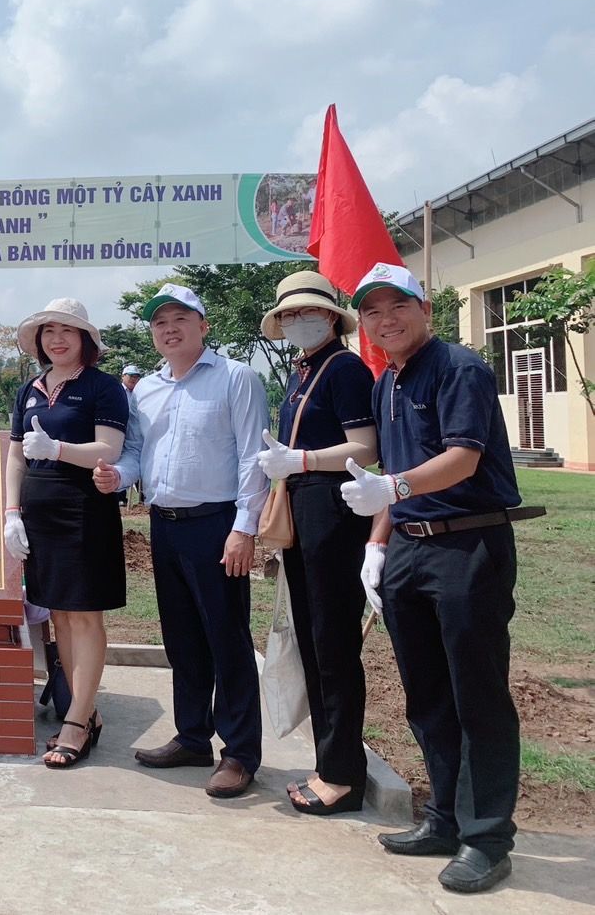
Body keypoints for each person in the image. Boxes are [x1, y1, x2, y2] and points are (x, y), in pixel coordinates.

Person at [341, 263, 525, 894]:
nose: (385, 320)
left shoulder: (459, 368)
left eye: (397, 307)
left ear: (426, 310)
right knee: (427, 693)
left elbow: (461, 458)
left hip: (468, 543)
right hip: (412, 550)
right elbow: (387, 474)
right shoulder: (385, 380)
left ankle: (487, 839)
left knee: (477, 694)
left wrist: (393, 486)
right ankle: (444, 818)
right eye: (371, 312)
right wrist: (378, 543)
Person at [95, 283, 267, 798]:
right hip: (164, 526)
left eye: (180, 319)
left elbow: (251, 459)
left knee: (227, 639)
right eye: (159, 323)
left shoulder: (236, 378)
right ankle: (192, 736)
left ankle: (239, 752)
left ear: (202, 326)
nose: (169, 329)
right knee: (182, 639)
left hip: (217, 525)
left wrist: (244, 527)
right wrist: (118, 478)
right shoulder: (145, 389)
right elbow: (137, 453)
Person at [253, 272, 377, 816]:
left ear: (331, 316)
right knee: (313, 639)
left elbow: (365, 446)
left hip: (332, 510)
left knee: (333, 644)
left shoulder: (345, 368)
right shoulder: (304, 371)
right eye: (288, 316)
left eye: (308, 312)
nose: (297, 321)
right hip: (303, 510)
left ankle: (343, 774)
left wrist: (300, 460)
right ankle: (333, 761)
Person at [2, 298, 126, 769]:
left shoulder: (102, 387)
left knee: (84, 615)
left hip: (84, 510)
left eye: (67, 331)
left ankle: (76, 721)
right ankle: (84, 711)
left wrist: (56, 449)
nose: (57, 339)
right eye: (48, 331)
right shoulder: (28, 389)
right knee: (57, 614)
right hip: (38, 514)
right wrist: (12, 512)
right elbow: (16, 455)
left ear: (85, 341)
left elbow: (107, 449)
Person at [119, 364, 145, 505]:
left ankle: (142, 497)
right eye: (131, 376)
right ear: (123, 376)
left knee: (139, 460)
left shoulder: (140, 392)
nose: (133, 379)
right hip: (119, 432)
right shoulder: (116, 391)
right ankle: (121, 497)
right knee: (119, 461)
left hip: (135, 433)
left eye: (136, 376)